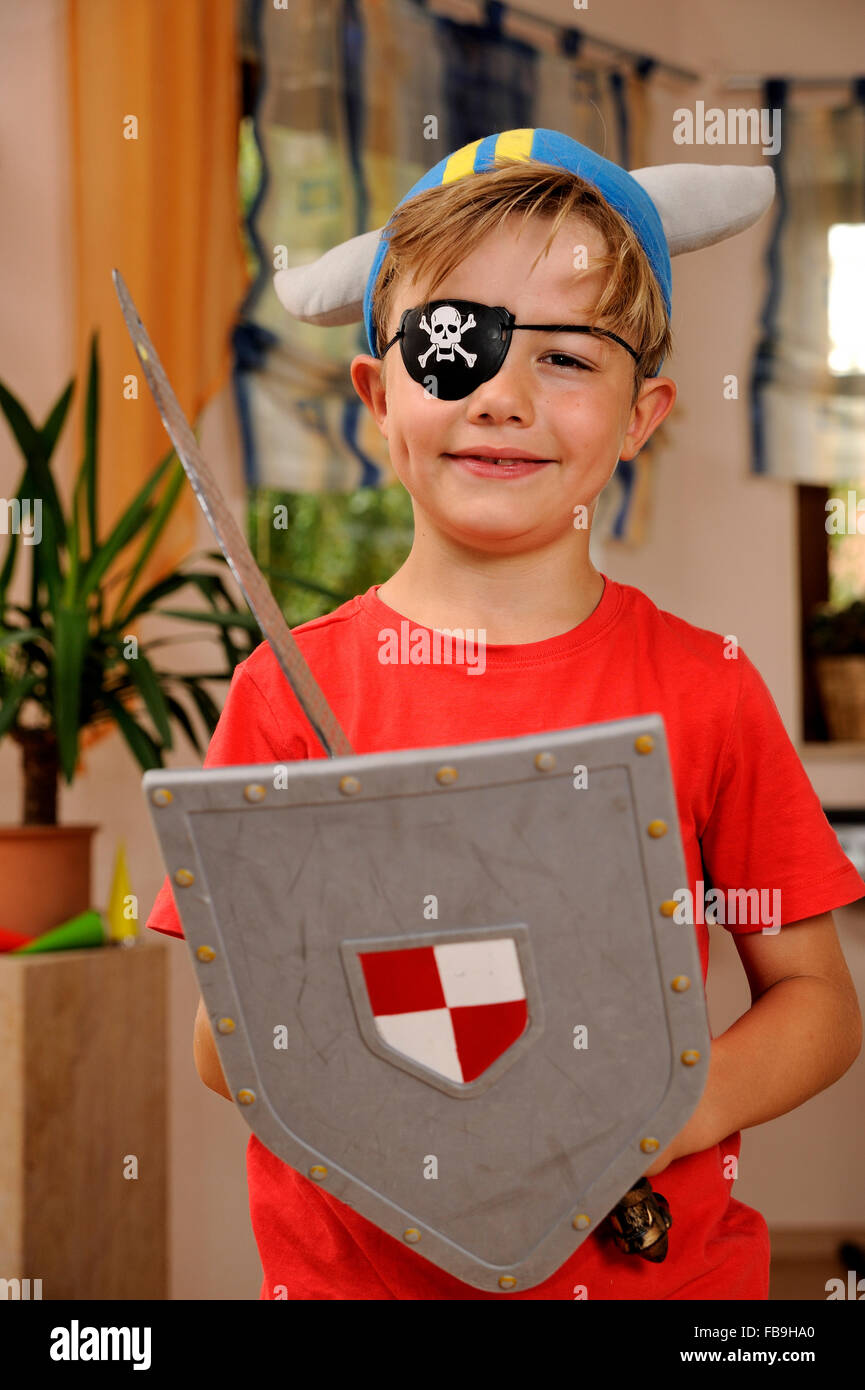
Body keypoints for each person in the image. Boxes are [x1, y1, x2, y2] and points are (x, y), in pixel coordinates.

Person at [146, 130, 864, 1300]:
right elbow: (226, 1050)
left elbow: (820, 1008)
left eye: (570, 358)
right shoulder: (286, 695)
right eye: (452, 344)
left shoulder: (707, 686)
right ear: (379, 397)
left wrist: (673, 1107)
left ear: (643, 414)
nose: (502, 395)